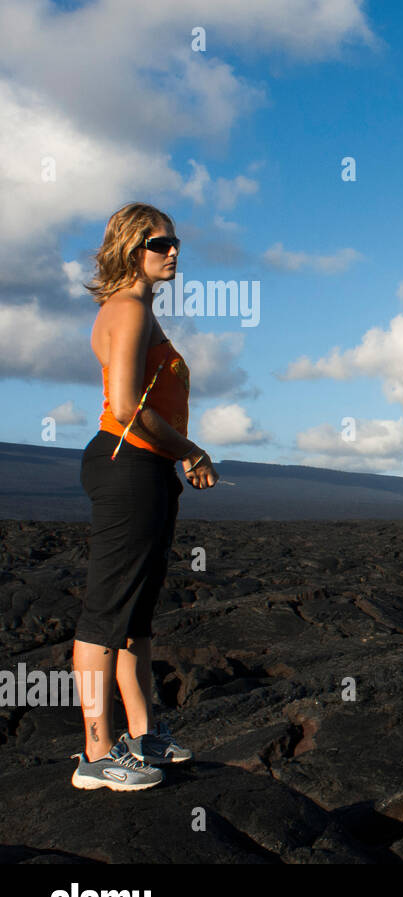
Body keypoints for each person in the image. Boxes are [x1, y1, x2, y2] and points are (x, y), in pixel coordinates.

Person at [71, 203, 220, 791]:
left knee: (136, 611)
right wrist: (191, 450)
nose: (174, 251)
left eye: (177, 241)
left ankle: (140, 735)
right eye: (162, 243)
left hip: (146, 468)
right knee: (106, 611)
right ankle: (95, 753)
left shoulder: (141, 313)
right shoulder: (128, 311)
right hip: (126, 463)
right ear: (133, 247)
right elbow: (129, 407)